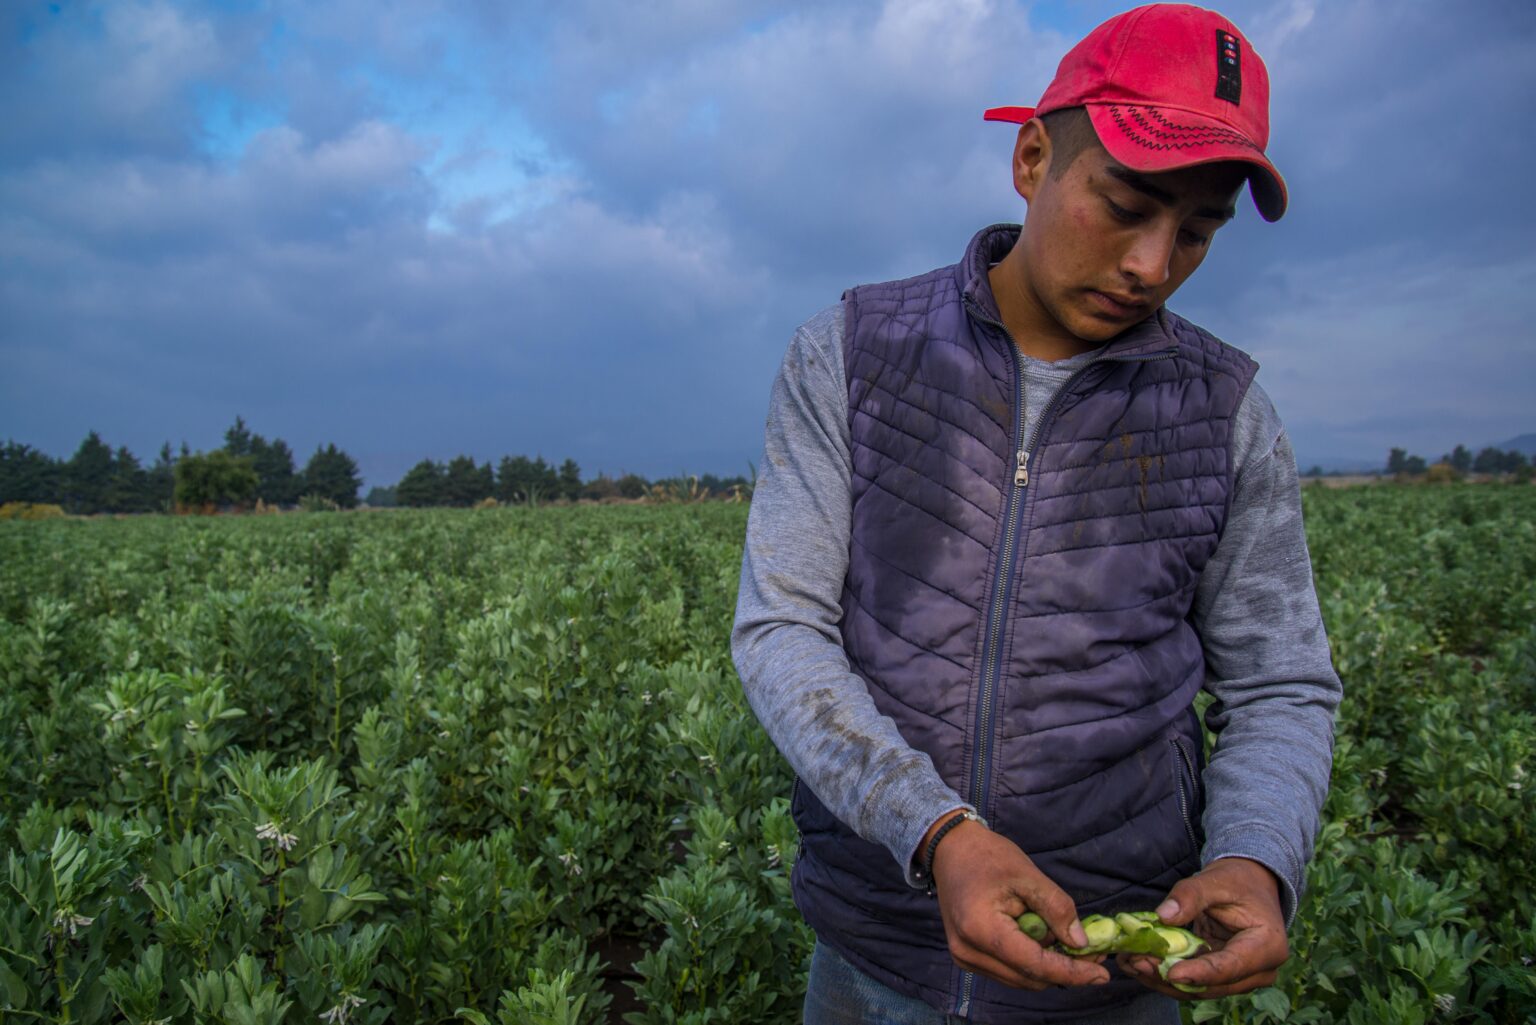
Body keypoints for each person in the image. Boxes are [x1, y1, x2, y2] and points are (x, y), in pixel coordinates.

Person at [731, 4, 1342, 1023]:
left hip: (1114, 971)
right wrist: (937, 831)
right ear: (1030, 159)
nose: (1153, 263)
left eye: (1195, 232)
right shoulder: (849, 354)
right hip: (880, 951)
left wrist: (1255, 857)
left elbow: (1280, 681)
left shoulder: (1228, 412)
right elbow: (783, 626)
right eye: (1125, 205)